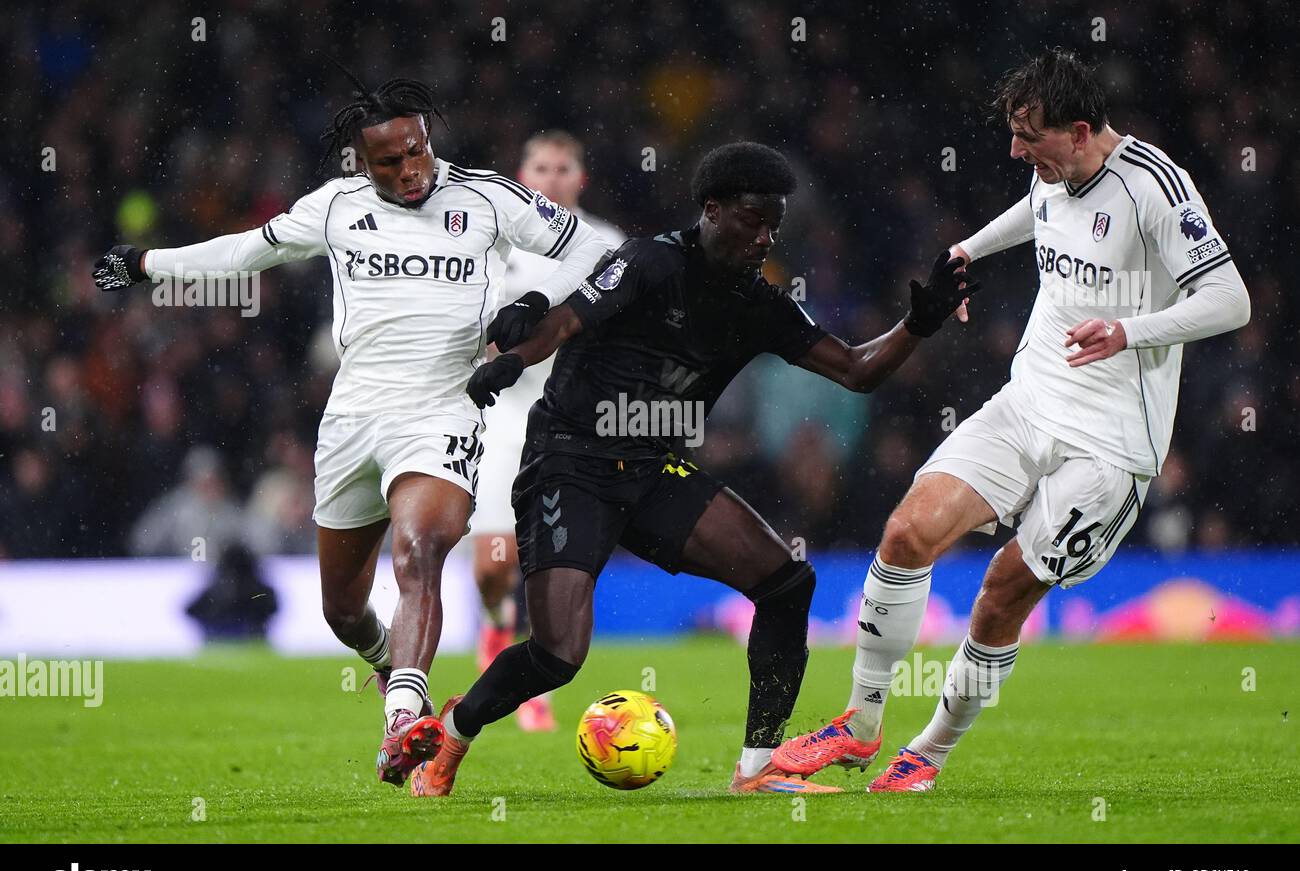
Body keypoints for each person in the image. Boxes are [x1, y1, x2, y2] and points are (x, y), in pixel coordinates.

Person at [407, 141, 978, 797]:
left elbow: (855, 368)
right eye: (752, 220)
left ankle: (757, 770)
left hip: (652, 470)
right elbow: (568, 316)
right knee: (557, 654)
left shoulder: (759, 303)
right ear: (712, 209)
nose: (764, 237)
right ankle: (454, 733)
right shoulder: (650, 261)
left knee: (787, 584)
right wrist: (513, 361)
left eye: (773, 226)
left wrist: (919, 321)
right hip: (569, 462)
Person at [91, 73, 609, 787]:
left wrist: (530, 298)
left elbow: (585, 248)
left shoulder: (487, 197)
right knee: (341, 607)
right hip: (353, 418)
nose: (409, 170)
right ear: (361, 163)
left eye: (416, 151)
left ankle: (405, 716)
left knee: (422, 547)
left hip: (442, 408)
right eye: (389, 162)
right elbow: (246, 253)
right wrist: (149, 263)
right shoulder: (334, 208)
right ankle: (386, 667)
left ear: (428, 138)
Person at [773, 49, 1251, 792]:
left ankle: (926, 753)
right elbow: (1039, 211)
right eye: (1014, 134)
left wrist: (1130, 331)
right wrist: (967, 249)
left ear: (1082, 129)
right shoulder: (1052, 171)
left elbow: (1230, 300)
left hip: (1111, 444)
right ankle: (860, 725)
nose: (1015, 151)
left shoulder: (1155, 188)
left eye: (1030, 138)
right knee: (906, 533)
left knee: (1003, 589)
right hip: (1028, 400)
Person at [471, 130, 624, 733]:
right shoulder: (495, 241)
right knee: (491, 564)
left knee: (549, 561)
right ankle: (494, 623)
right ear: (522, 173)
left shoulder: (608, 245)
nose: (553, 178)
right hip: (500, 419)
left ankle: (528, 677)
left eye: (564, 168)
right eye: (542, 167)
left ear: (579, 179)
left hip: (571, 424)